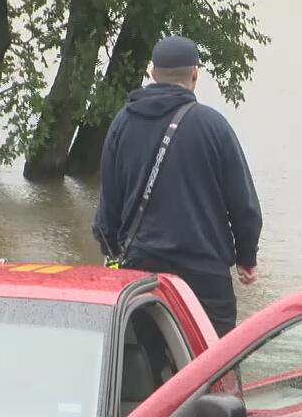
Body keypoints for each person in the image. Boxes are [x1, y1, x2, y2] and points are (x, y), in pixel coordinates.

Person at [93, 35, 262, 337]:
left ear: (151, 72)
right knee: (215, 366)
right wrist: (246, 258)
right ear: (195, 73)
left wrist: (112, 250)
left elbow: (108, 205)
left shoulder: (122, 124)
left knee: (146, 365)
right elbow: (244, 205)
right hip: (206, 278)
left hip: (143, 274)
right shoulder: (214, 126)